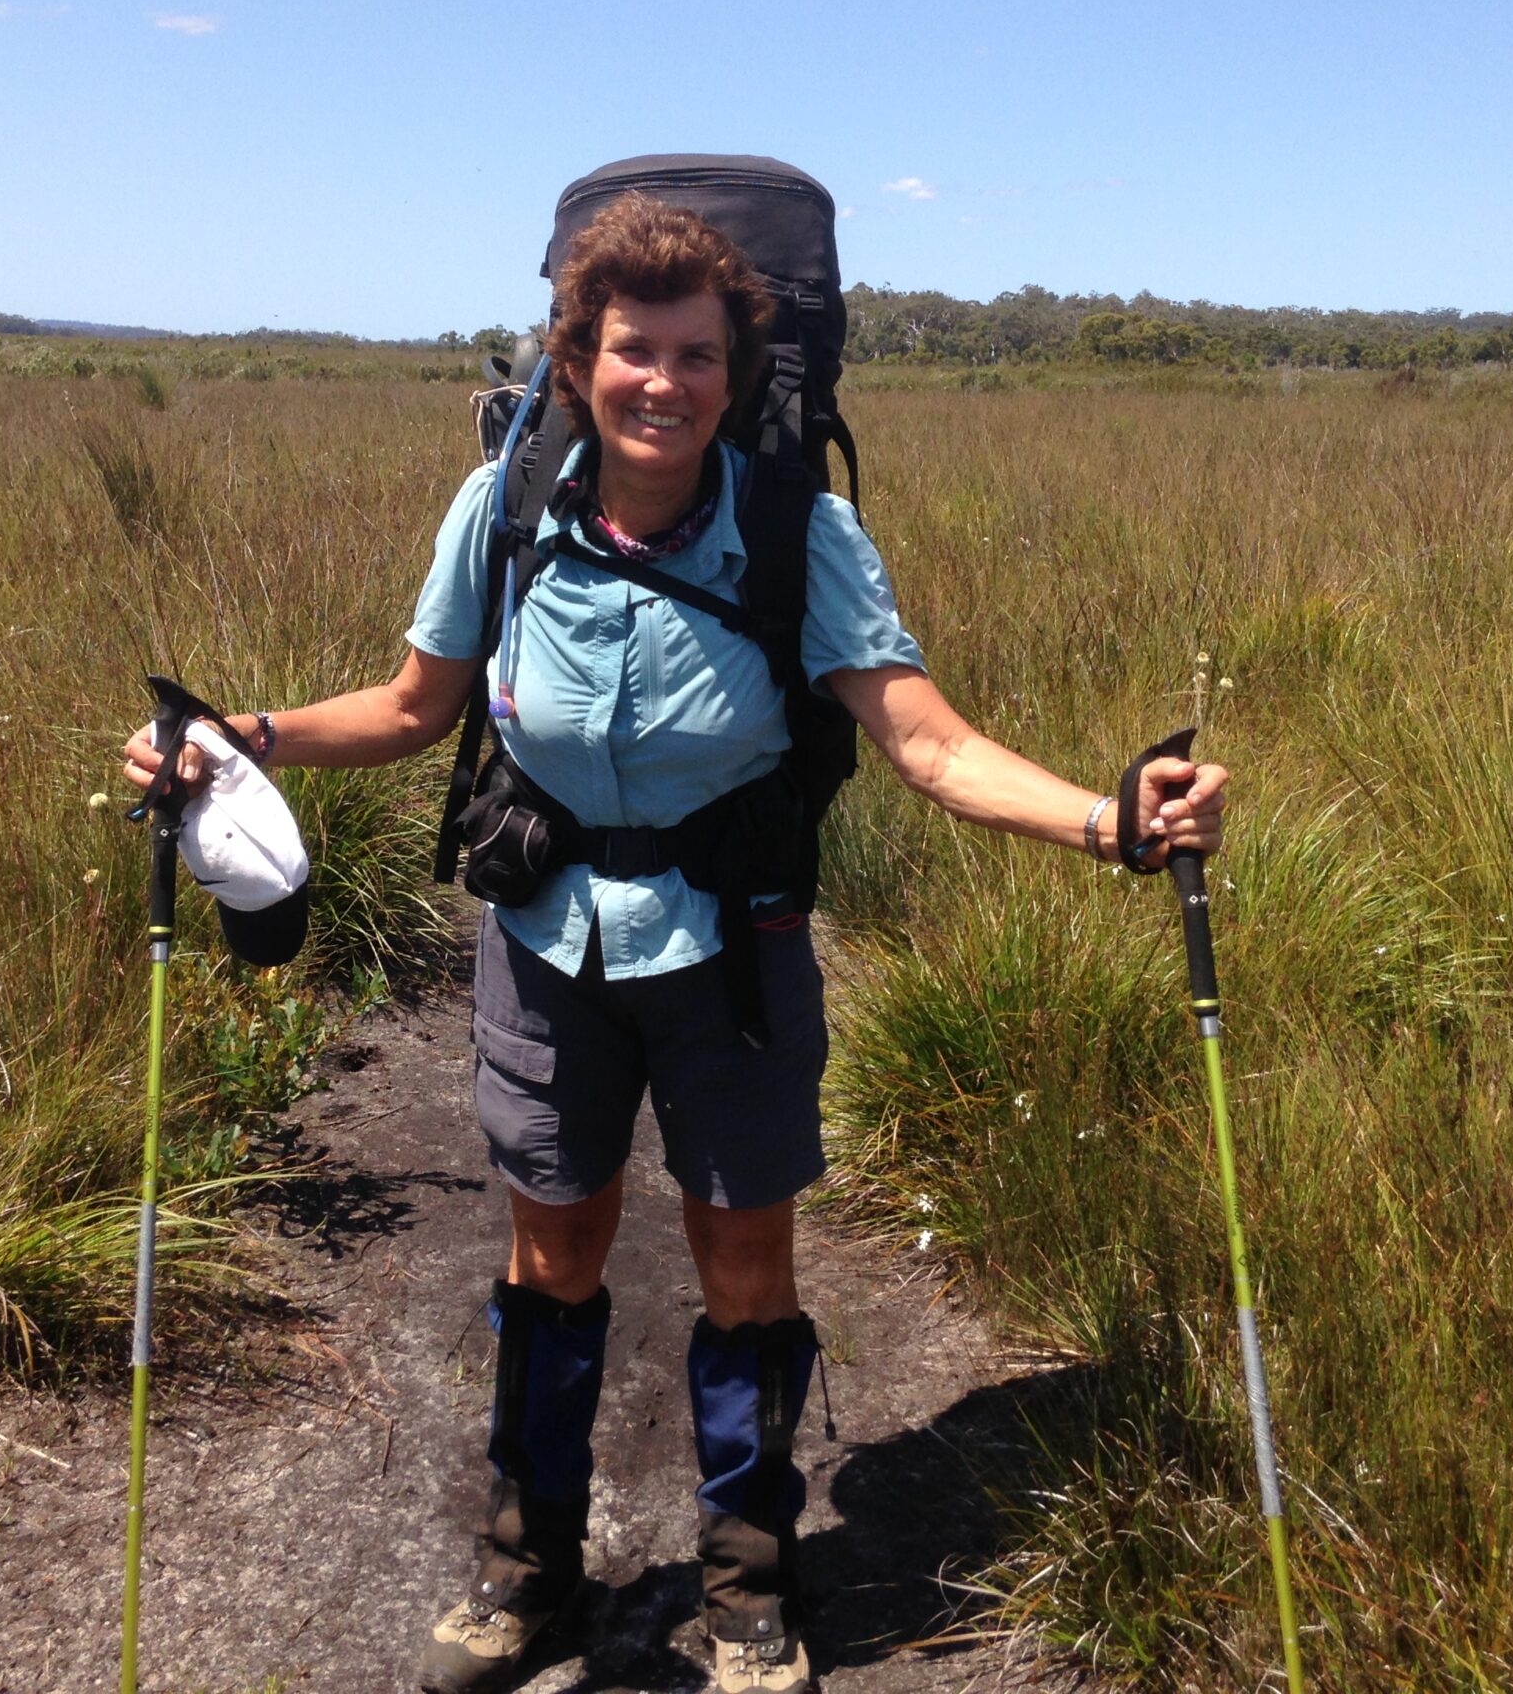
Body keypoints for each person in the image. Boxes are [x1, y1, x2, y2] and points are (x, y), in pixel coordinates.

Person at [122, 195, 1227, 1694]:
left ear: (736, 371)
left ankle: (750, 1587)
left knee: (745, 1263)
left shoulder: (799, 533)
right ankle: (527, 1572)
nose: (664, 382)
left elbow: (930, 743)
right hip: (546, 941)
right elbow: (409, 708)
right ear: (578, 360)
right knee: (553, 1249)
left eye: (696, 355)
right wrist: (232, 735)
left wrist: (1112, 822)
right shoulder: (505, 509)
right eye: (634, 350)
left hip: (734, 948)